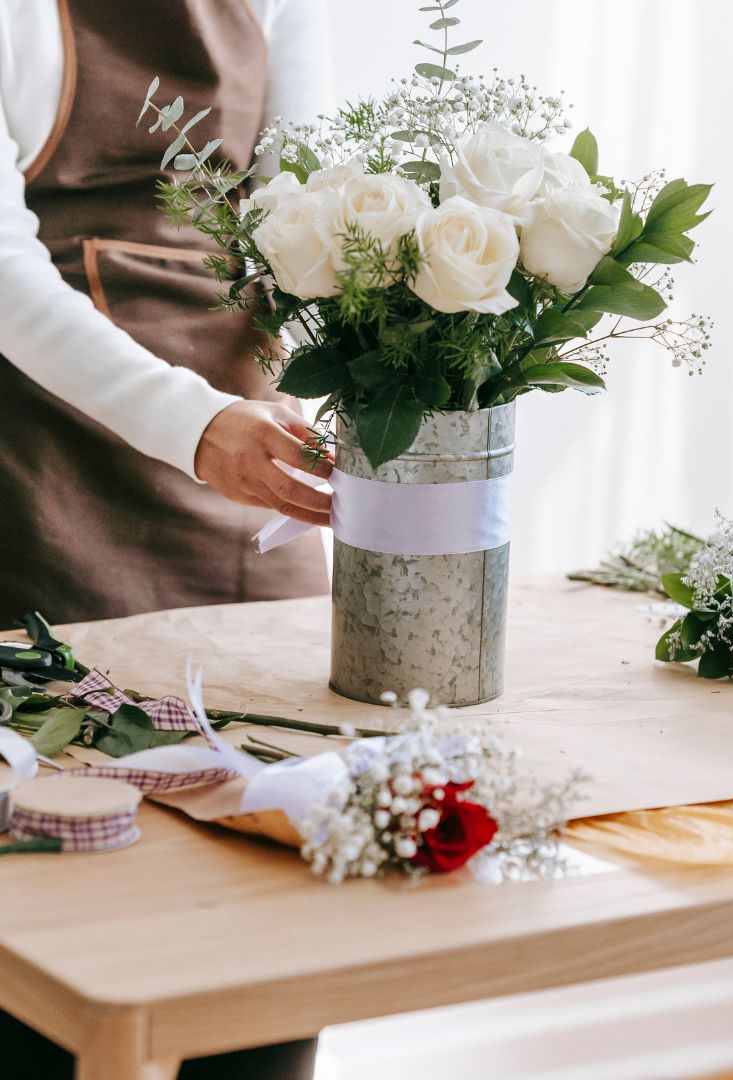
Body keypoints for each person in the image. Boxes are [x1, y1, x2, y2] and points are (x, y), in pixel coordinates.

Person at [0, 0, 334, 1075]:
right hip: (47, 456)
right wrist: (191, 426)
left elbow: (311, 201)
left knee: (280, 859)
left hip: (249, 451)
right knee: (63, 893)